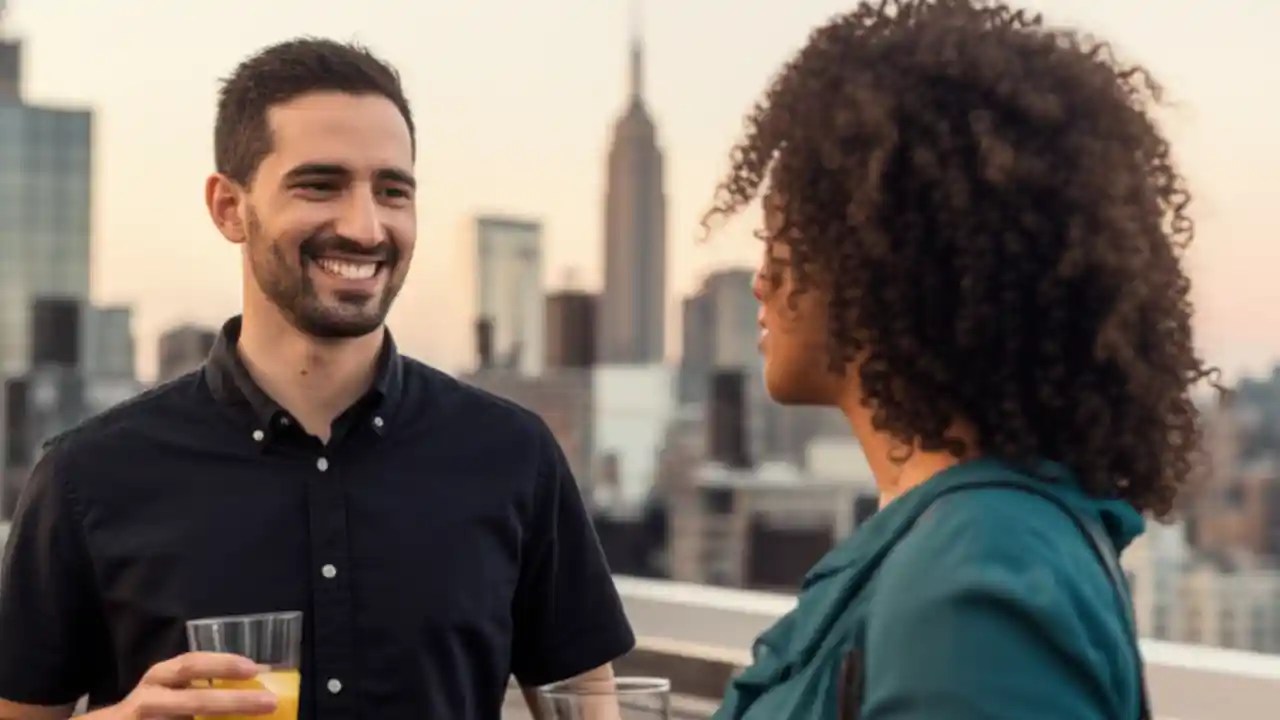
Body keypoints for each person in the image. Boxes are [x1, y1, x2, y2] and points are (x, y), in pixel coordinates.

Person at [0, 38, 634, 720]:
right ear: (228, 208)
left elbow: (585, 696)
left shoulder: (513, 454)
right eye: (320, 185)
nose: (365, 227)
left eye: (392, 191)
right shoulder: (87, 476)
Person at [704, 1, 1213, 718]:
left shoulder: (978, 580)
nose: (762, 277)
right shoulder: (958, 539)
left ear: (886, 258)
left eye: (785, 235)